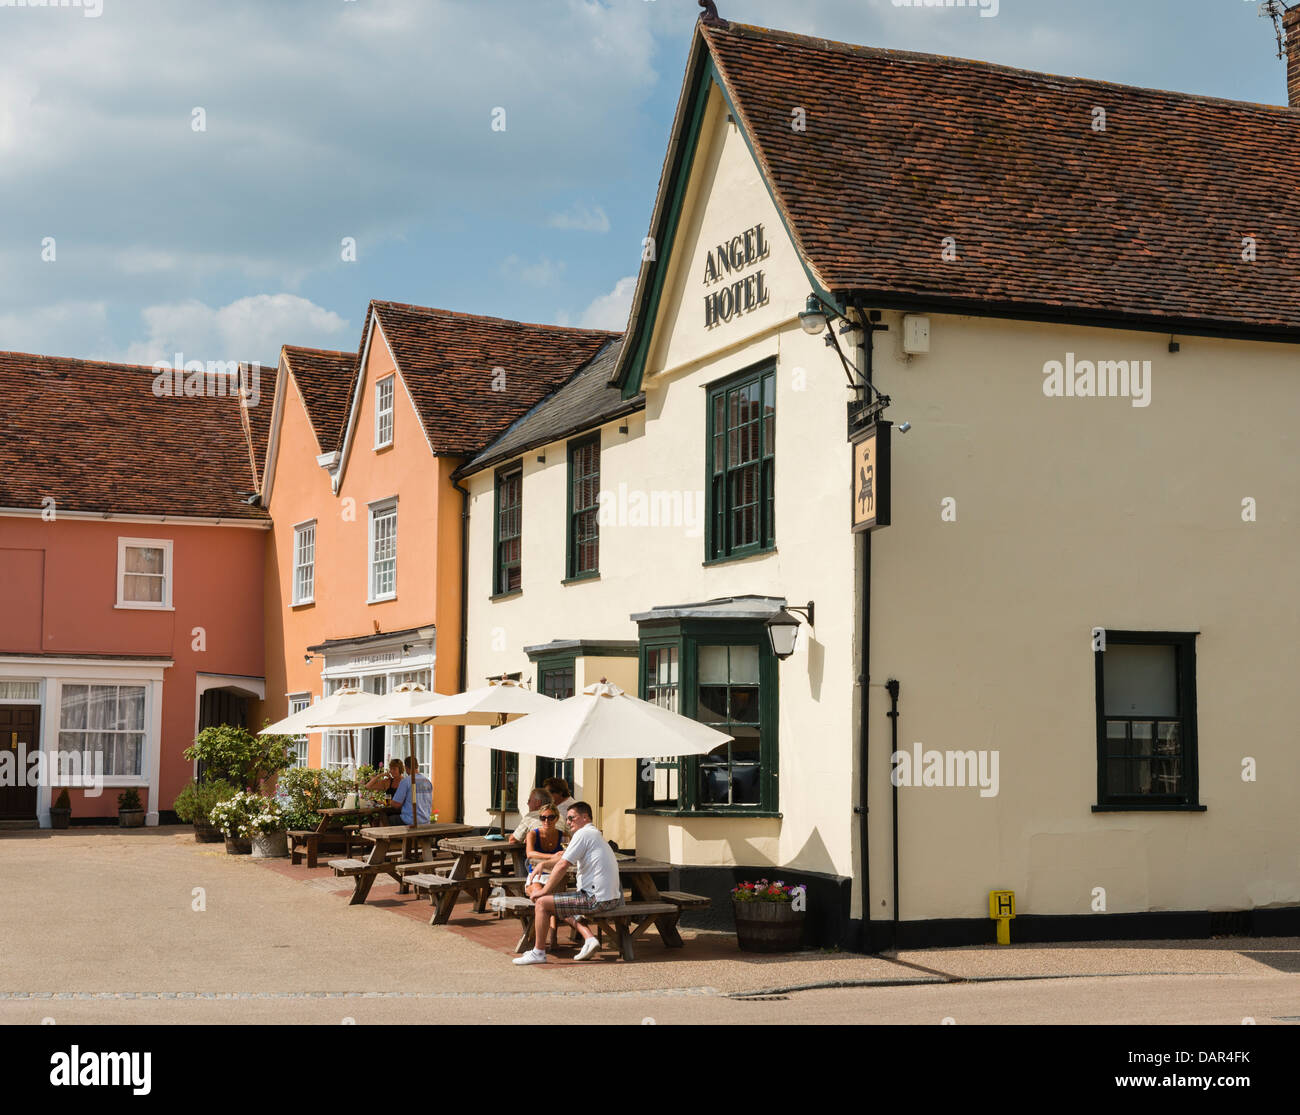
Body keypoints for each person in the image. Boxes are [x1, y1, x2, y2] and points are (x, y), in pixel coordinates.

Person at [514, 801, 619, 965]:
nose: (568, 822)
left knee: (542, 902)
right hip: (610, 898)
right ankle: (589, 939)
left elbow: (563, 864)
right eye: (567, 818)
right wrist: (543, 864)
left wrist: (544, 890)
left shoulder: (583, 834)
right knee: (558, 901)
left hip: (594, 899)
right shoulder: (593, 834)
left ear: (585, 817)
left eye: (572, 818)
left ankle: (539, 952)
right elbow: (563, 858)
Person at [388, 754, 432, 825]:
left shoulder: (406, 781)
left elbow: (396, 804)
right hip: (426, 821)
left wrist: (387, 802)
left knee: (387, 819)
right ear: (417, 766)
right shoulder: (427, 782)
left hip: (410, 821)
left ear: (406, 768)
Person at [367, 759, 405, 823]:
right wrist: (380, 775)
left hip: (400, 813)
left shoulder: (404, 782)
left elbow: (400, 804)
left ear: (400, 769)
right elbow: (368, 786)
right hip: (388, 811)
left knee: (379, 821)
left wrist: (381, 802)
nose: (392, 771)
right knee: (374, 821)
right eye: (391, 769)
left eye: (394, 769)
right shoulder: (388, 782)